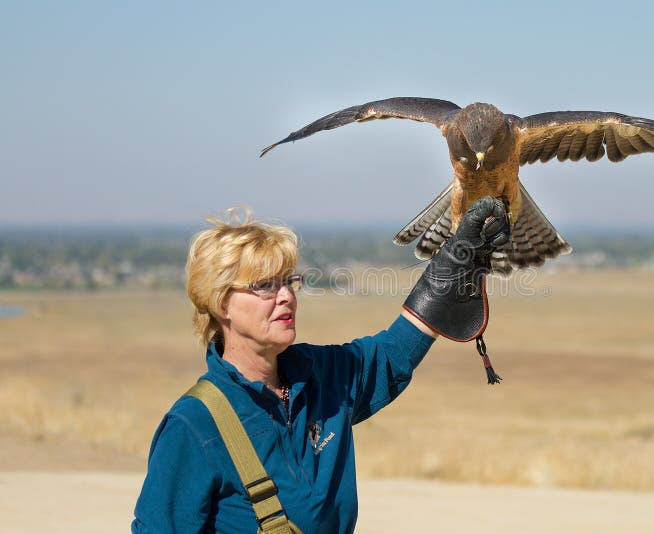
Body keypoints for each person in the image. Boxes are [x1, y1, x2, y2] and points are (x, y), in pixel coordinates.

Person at [132, 197, 509, 533]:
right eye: (265, 286)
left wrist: (456, 259)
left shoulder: (321, 376)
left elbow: (394, 353)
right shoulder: (194, 425)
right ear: (220, 303)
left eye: (289, 282)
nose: (286, 297)